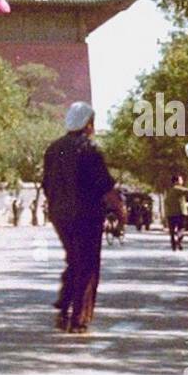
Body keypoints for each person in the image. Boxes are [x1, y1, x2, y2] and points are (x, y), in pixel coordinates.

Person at [42, 101, 125, 334]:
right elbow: (105, 187)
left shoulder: (53, 148)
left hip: (60, 215)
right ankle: (79, 319)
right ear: (88, 124)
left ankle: (63, 306)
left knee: (73, 259)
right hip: (86, 215)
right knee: (87, 265)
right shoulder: (90, 149)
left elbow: (47, 185)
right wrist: (120, 212)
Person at [163, 172, 188, 250]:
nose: (182, 180)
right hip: (179, 213)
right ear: (176, 181)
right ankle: (178, 242)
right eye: (181, 179)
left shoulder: (169, 190)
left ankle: (174, 243)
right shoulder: (178, 188)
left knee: (172, 231)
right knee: (181, 229)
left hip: (170, 213)